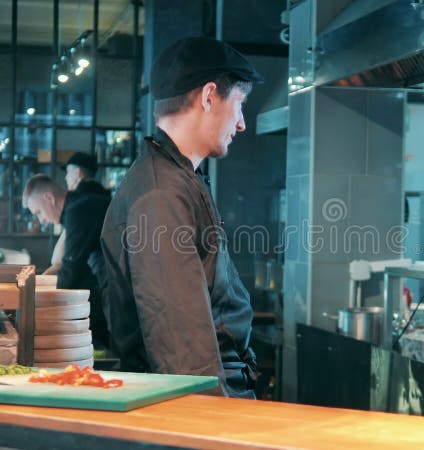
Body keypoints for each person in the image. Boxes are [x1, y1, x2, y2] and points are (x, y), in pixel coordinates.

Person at [100, 36, 262, 398]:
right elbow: (182, 349)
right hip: (203, 407)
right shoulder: (160, 193)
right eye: (239, 105)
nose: (241, 125)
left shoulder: (176, 177)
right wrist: (211, 427)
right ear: (208, 97)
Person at [22, 173, 112, 349]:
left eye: (39, 212)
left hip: (119, 286)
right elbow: (62, 262)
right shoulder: (78, 205)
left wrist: (40, 302)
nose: (42, 221)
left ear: (49, 198)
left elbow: (71, 268)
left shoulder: (78, 210)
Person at [44, 152, 106, 275]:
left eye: (68, 172)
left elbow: (58, 260)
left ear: (78, 173)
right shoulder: (102, 195)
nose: (66, 177)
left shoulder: (78, 204)